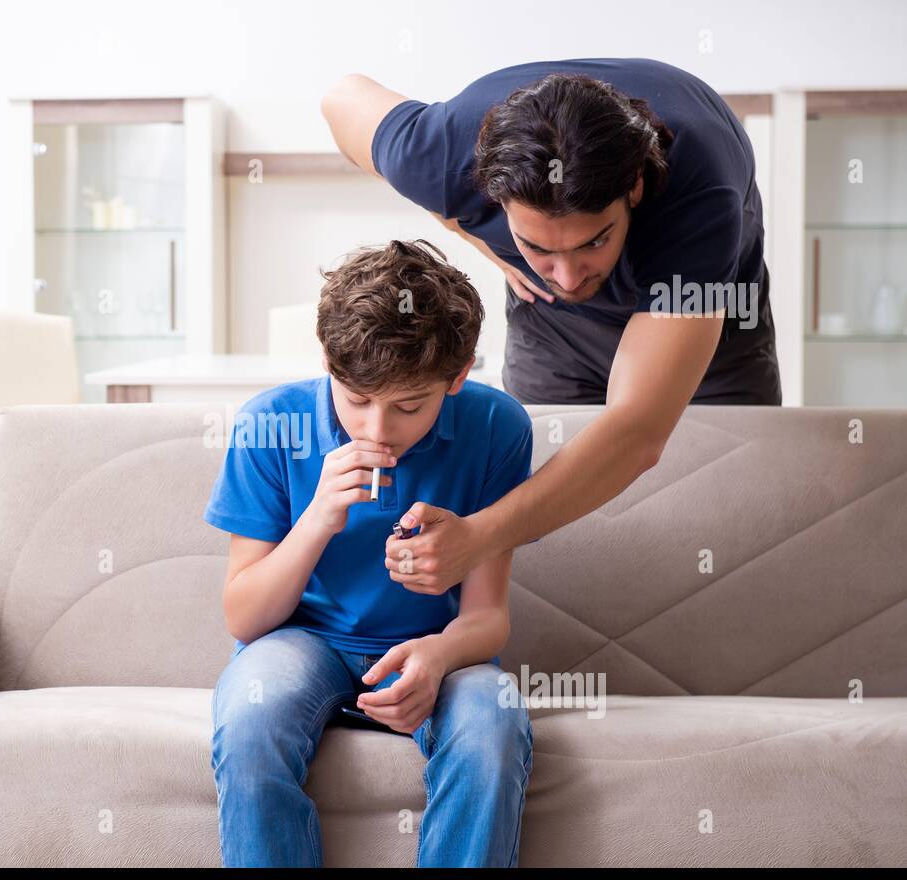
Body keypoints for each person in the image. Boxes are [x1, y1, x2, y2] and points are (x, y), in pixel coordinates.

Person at [320, 57, 781, 597]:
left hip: (709, 333)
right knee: (543, 512)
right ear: (493, 195)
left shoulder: (700, 194)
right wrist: (468, 233)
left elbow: (638, 434)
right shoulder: (441, 151)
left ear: (633, 189)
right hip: (551, 331)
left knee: (736, 525)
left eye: (593, 241)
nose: (567, 275)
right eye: (538, 246)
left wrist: (477, 536)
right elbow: (341, 96)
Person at [204, 238, 534, 867]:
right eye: (356, 400)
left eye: (410, 406)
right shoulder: (269, 423)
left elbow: (489, 619)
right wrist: (319, 519)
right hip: (301, 641)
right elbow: (243, 617)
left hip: (438, 646)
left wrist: (436, 658)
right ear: (328, 361)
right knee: (251, 722)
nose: (377, 430)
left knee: (493, 723)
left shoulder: (497, 430)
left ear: (458, 376)